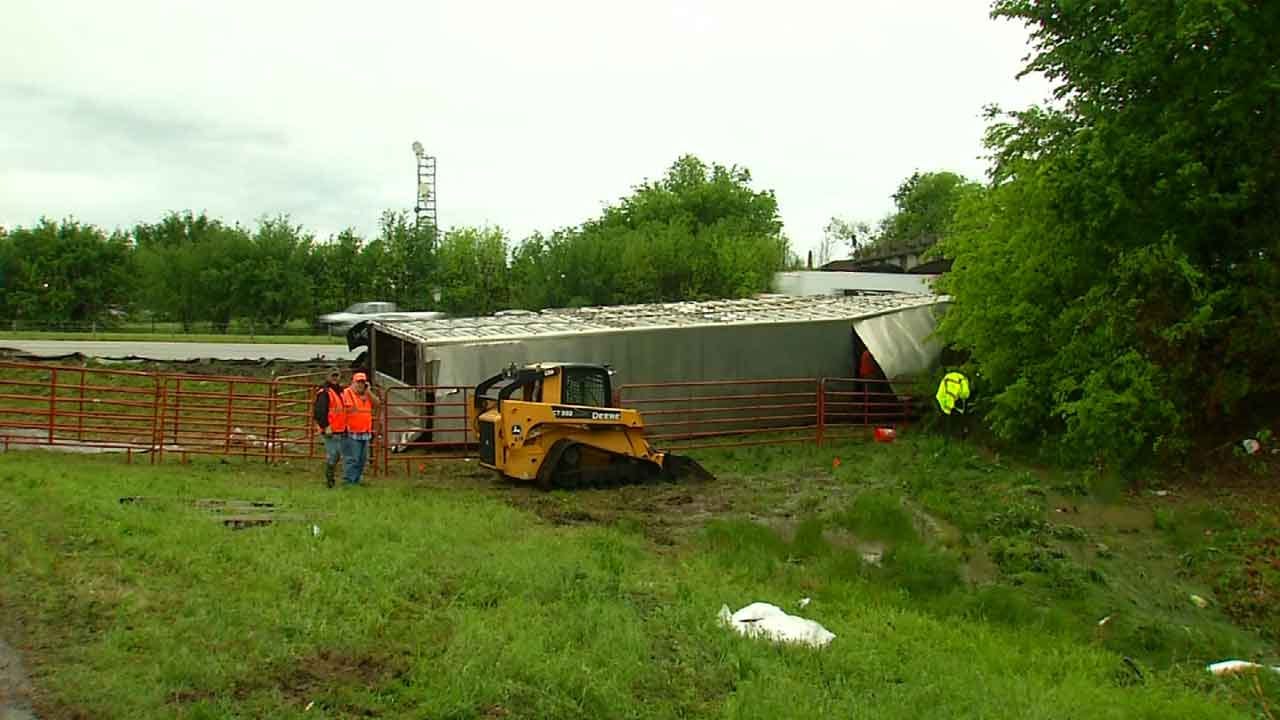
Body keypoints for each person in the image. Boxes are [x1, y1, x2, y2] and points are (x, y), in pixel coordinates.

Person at [341, 371, 378, 485]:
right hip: (350, 432)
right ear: (353, 382)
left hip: (365, 432)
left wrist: (369, 392)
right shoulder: (345, 393)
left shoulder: (367, 395)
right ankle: (349, 482)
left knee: (362, 460)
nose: (360, 385)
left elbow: (377, 404)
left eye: (363, 382)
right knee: (352, 459)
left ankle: (356, 480)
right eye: (358, 382)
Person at [312, 368, 346, 488]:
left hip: (340, 429)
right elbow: (319, 411)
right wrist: (325, 426)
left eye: (337, 375)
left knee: (336, 455)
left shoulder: (340, 391)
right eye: (333, 376)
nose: (335, 378)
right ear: (327, 377)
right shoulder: (324, 392)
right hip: (330, 430)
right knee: (333, 454)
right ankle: (329, 481)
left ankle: (331, 480)